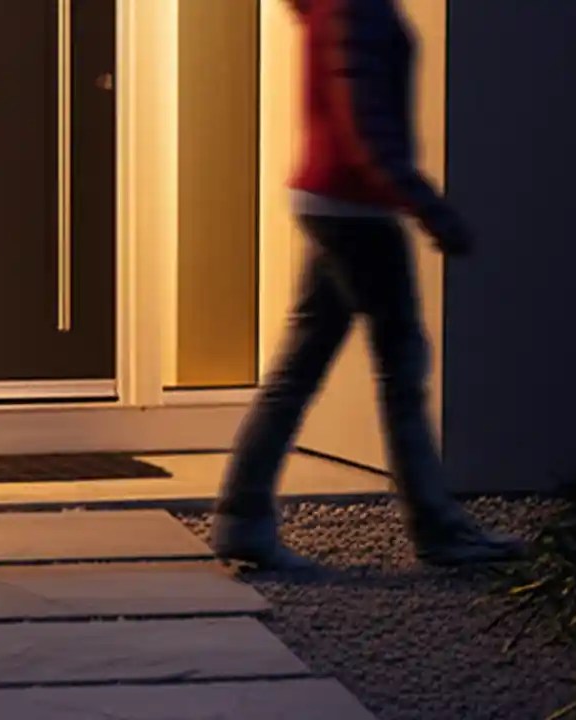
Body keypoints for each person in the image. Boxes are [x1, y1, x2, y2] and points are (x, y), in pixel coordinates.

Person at [211, 0, 525, 569]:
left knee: (301, 366)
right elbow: (366, 124)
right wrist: (429, 208)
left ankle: (242, 516)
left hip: (334, 200)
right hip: (355, 208)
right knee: (401, 371)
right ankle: (436, 530)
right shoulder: (351, 8)